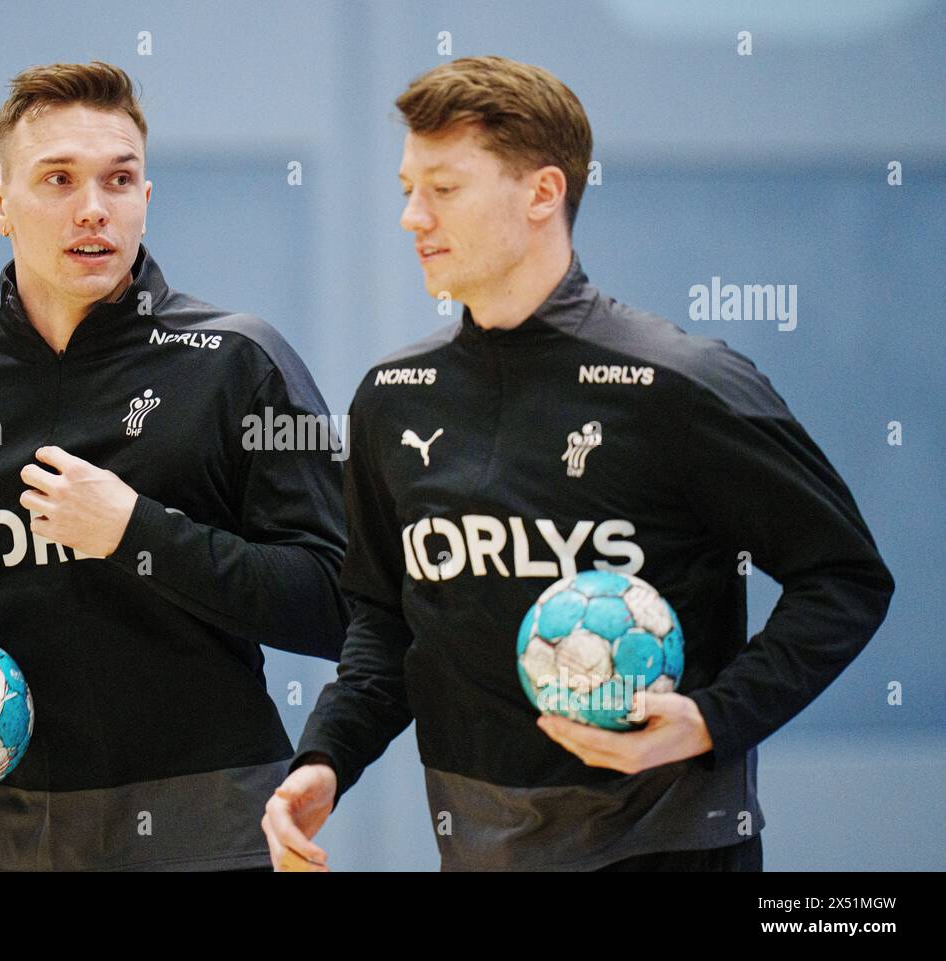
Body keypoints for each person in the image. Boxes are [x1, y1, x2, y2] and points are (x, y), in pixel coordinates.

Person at [261, 56, 895, 872]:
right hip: (480, 850)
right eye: (407, 188)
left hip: (670, 848)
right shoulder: (394, 397)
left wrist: (709, 719)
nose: (412, 217)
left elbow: (845, 577)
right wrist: (326, 759)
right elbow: (385, 620)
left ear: (542, 193)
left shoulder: (681, 384)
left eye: (444, 189)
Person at [0, 61, 349, 871]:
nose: (94, 209)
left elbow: (338, 601)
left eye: (119, 179)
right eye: (58, 179)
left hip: (207, 833)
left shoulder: (237, 361)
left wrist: (133, 530)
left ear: (144, 200)